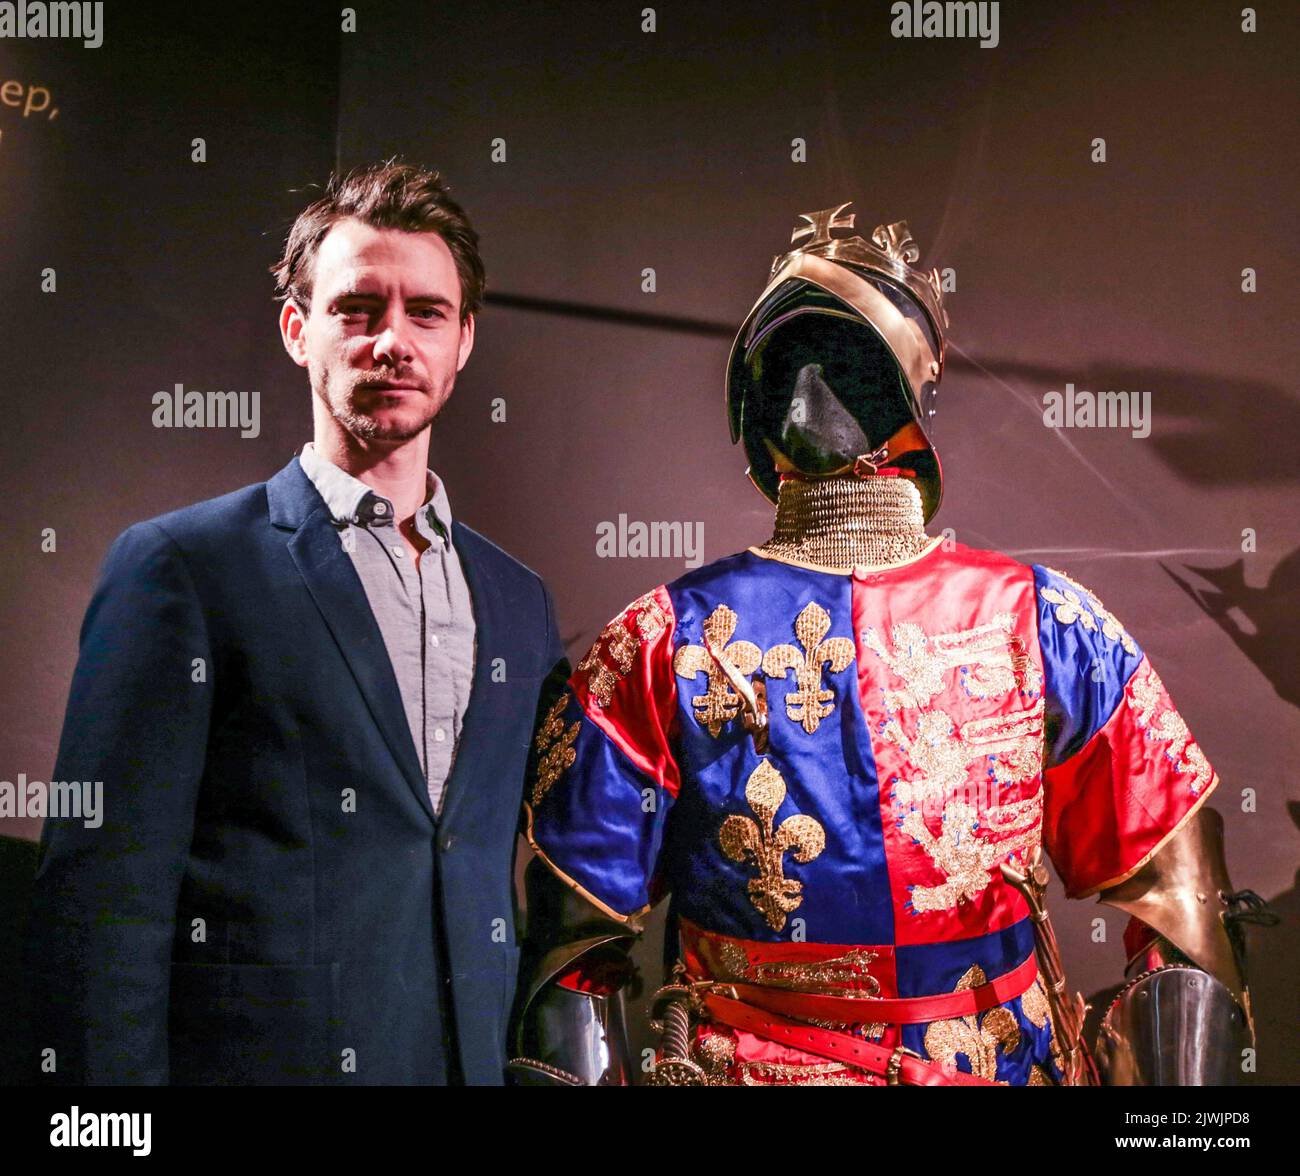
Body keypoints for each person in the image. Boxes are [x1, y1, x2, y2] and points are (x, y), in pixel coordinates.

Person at [510, 204, 1259, 1086]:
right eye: (789, 364)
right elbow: (570, 966)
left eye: (851, 367)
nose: (813, 392)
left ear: (910, 392)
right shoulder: (656, 644)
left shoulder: (1050, 626)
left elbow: (1186, 920)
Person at [26, 160, 563, 1085]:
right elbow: (101, 907)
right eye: (359, 308)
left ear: (465, 339)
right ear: (297, 328)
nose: (393, 340)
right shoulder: (183, 569)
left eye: (426, 313)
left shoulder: (520, 602)